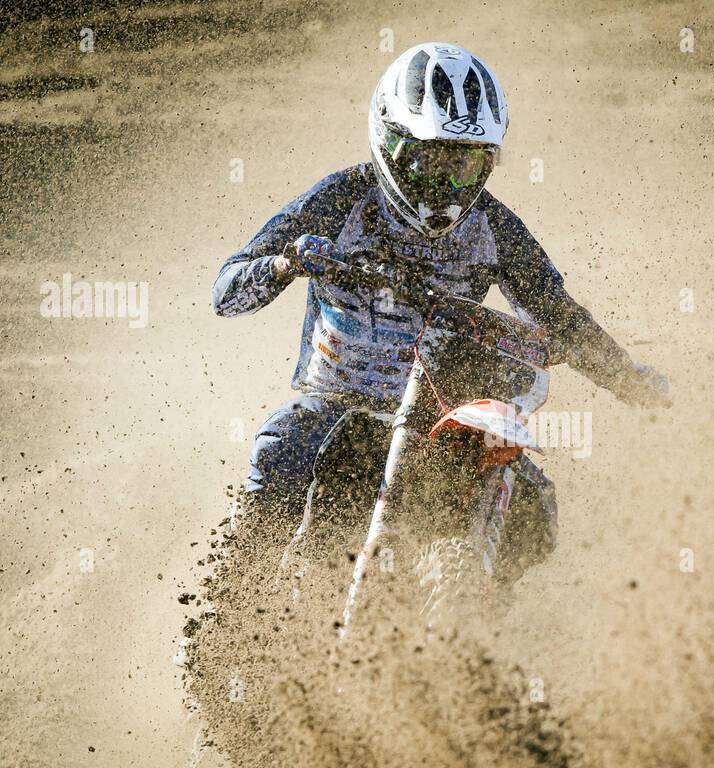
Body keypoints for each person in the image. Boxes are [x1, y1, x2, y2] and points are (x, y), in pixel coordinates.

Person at [212, 42, 668, 550]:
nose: (447, 186)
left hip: (439, 425)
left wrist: (630, 381)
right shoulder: (340, 200)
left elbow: (562, 318)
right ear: (390, 142)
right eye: (430, 162)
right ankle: (233, 600)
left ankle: (476, 611)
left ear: (489, 164)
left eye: (466, 167)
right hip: (337, 406)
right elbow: (225, 292)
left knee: (531, 507)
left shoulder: (495, 228)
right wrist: (284, 263)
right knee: (282, 448)